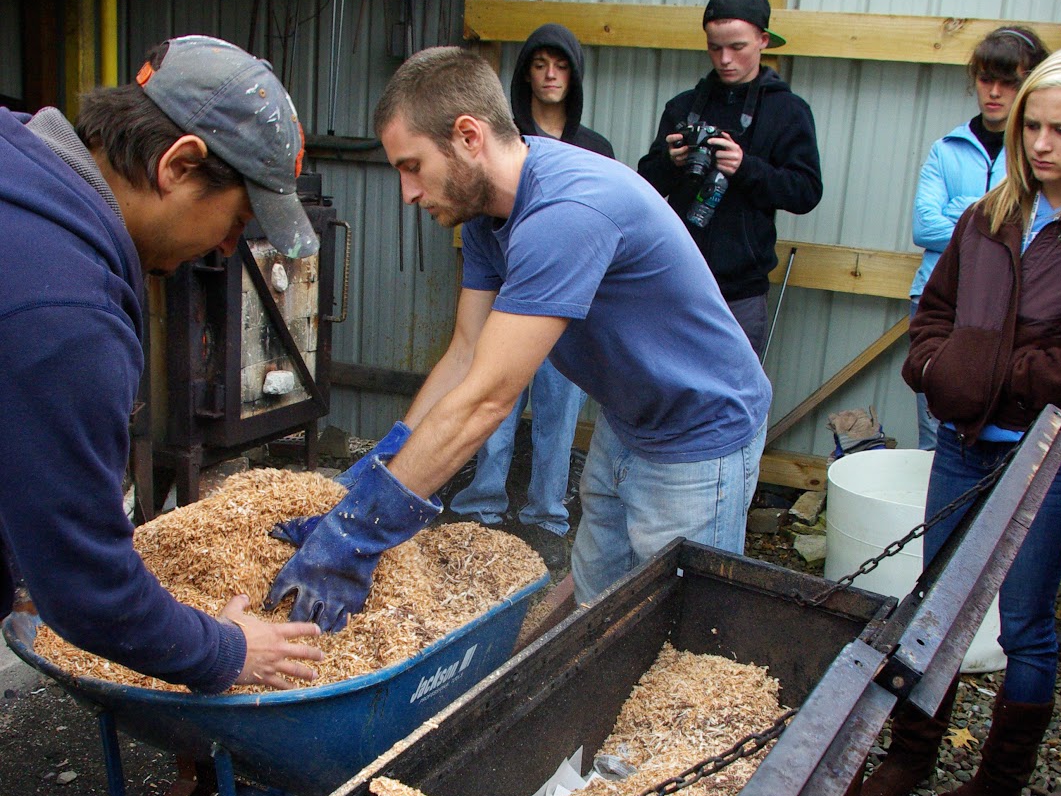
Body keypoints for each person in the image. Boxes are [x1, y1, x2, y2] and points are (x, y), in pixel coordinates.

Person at [268, 47, 771, 626]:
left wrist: (358, 531)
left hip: (700, 430)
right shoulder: (487, 212)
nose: (406, 193)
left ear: (467, 136)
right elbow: (465, 355)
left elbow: (488, 397)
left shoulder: (565, 211)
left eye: (411, 166)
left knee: (679, 635)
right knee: (599, 609)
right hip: (629, 418)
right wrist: (386, 458)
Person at [0, 35, 324, 693]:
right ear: (177, 165)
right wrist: (230, 651)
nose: (233, 246)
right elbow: (87, 590)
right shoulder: (67, 313)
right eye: (237, 218)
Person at [859, 48, 1061, 796]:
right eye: (1032, 127)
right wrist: (937, 370)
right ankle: (910, 753)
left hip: (1044, 455)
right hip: (961, 442)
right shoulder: (985, 218)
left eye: (1060, 129)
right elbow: (932, 316)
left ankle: (995, 783)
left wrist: (995, 375)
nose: (1042, 143)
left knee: (1023, 624)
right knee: (933, 603)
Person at [449, 25, 614, 559]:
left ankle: (546, 512)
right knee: (491, 400)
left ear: (575, 76)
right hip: (505, 300)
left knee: (559, 411)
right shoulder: (506, 139)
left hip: (567, 308)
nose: (549, 74)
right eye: (539, 63)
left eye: (560, 65)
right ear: (525, 75)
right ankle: (483, 502)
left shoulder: (595, 149)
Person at [637, 0, 822, 357]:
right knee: (669, 394)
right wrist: (671, 164)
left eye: (737, 47)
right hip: (675, 281)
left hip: (741, 293)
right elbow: (645, 185)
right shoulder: (683, 107)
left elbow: (806, 192)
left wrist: (745, 167)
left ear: (763, 40)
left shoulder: (788, 111)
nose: (724, 59)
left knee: (734, 402)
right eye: (714, 47)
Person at [910, 24, 1049, 449]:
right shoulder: (947, 147)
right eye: (986, 78)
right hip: (938, 297)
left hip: (1002, 309)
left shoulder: (1038, 153)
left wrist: (962, 211)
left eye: (1009, 82)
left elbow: (1028, 235)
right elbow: (923, 227)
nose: (994, 91)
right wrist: (980, 218)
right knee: (936, 431)